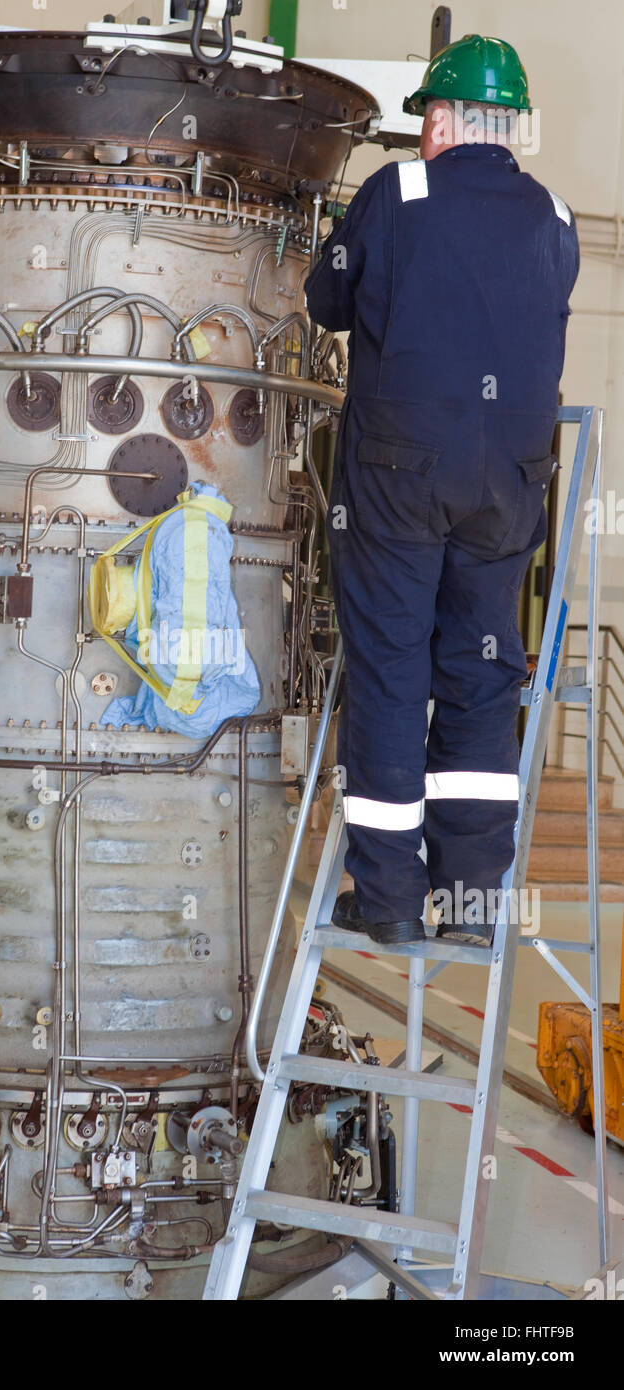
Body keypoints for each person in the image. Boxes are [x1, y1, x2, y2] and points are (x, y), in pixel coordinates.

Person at [304, 35, 579, 946]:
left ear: (450, 121)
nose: (422, 131)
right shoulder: (558, 219)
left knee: (390, 669)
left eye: (427, 116)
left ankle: (386, 900)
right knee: (482, 677)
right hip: (511, 482)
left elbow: (324, 302)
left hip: (400, 476)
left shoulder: (398, 194)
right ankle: (470, 902)